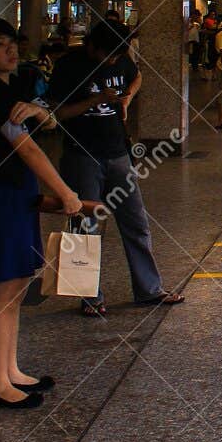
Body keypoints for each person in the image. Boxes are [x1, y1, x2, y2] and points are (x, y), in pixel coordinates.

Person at [0, 17, 98, 409]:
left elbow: (48, 123)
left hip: (18, 193)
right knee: (3, 290)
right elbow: (28, 150)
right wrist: (66, 193)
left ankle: (12, 371)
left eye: (12, 42)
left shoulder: (12, 88)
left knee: (17, 286)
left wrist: (37, 111)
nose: (11, 50)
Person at [48, 21, 185, 316]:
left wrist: (127, 98)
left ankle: (149, 289)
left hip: (118, 152)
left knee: (136, 222)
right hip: (82, 156)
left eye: (117, 56)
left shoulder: (121, 57)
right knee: (87, 226)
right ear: (92, 45)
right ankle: (90, 297)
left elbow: (137, 77)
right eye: (108, 55)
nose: (113, 61)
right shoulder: (69, 66)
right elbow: (58, 113)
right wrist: (96, 100)